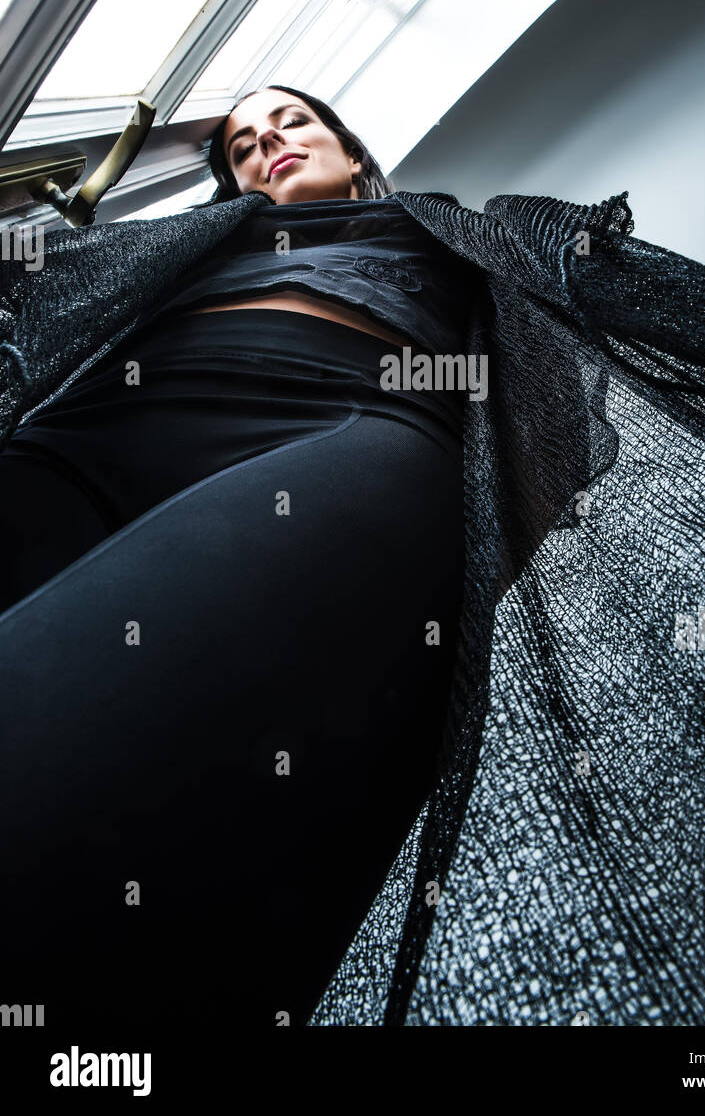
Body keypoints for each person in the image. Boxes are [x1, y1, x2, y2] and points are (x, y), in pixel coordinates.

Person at [0, 86, 480, 1027]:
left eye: (290, 124)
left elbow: (575, 349)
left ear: (348, 144)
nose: (268, 145)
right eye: (243, 145)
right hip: (100, 424)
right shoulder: (197, 242)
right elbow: (42, 274)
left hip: (341, 424)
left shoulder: (448, 226)